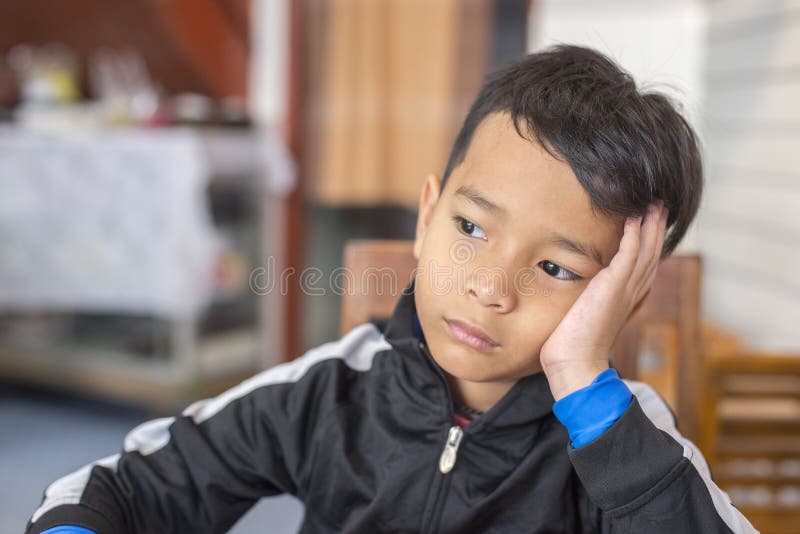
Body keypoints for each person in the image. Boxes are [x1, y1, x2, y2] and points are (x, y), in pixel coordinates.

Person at [26, 45, 757, 533]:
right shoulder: (330, 391)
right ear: (427, 215)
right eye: (471, 228)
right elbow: (123, 485)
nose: (489, 289)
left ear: (620, 297)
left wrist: (589, 397)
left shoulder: (626, 441)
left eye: (556, 268)